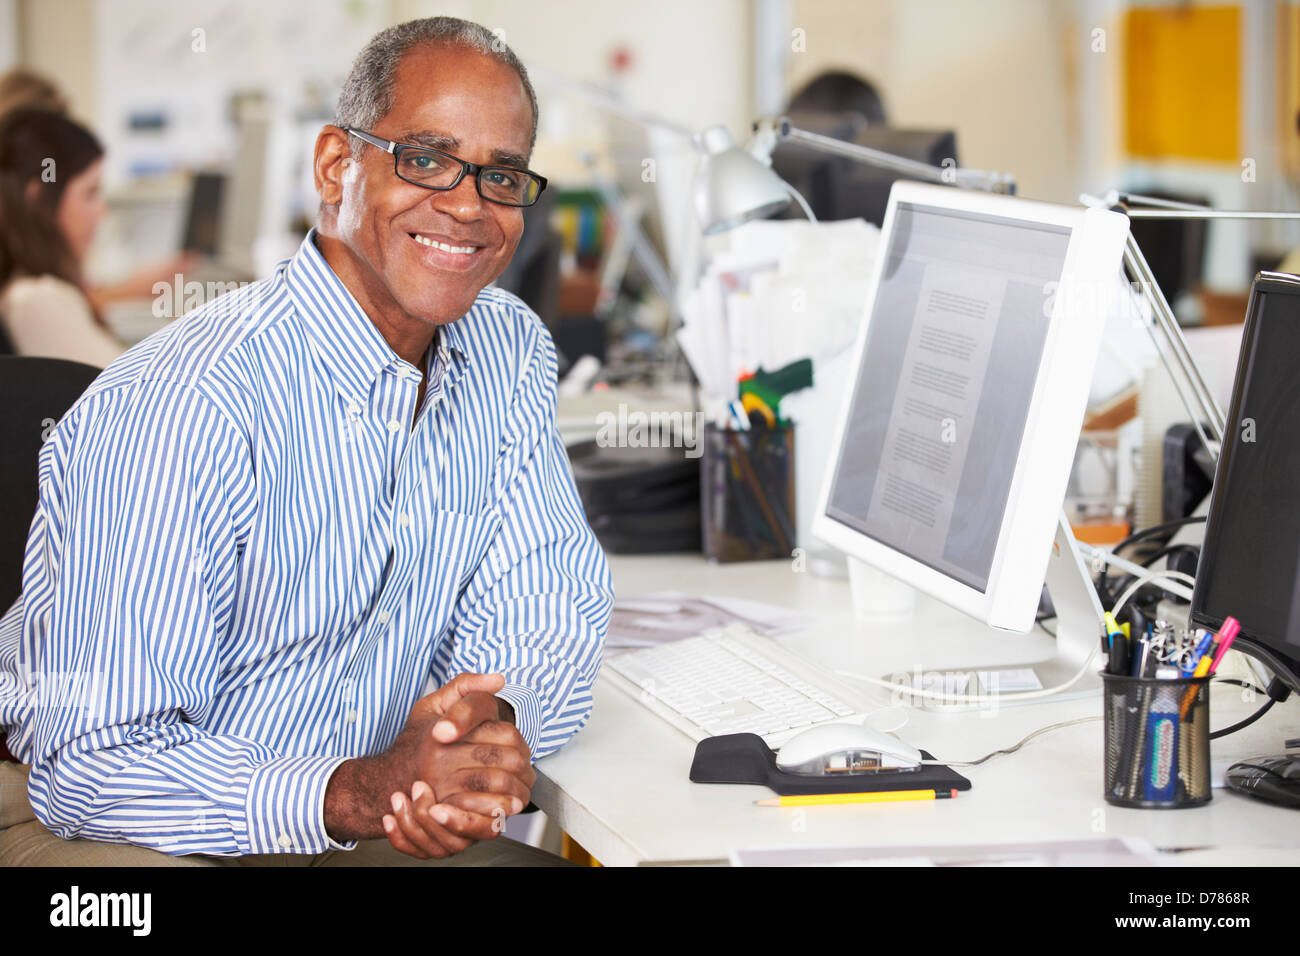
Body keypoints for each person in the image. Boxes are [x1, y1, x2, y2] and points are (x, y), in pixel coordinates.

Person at [0, 16, 613, 866]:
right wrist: (360, 790)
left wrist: (480, 732)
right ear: (336, 165)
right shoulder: (183, 407)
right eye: (426, 159)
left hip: (363, 813)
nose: (469, 205)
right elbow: (93, 769)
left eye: (502, 175)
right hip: (130, 829)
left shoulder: (505, 350)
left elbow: (545, 601)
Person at [0, 109, 124, 366]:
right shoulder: (36, 300)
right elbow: (143, 394)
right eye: (90, 193)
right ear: (38, 198)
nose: (102, 212)